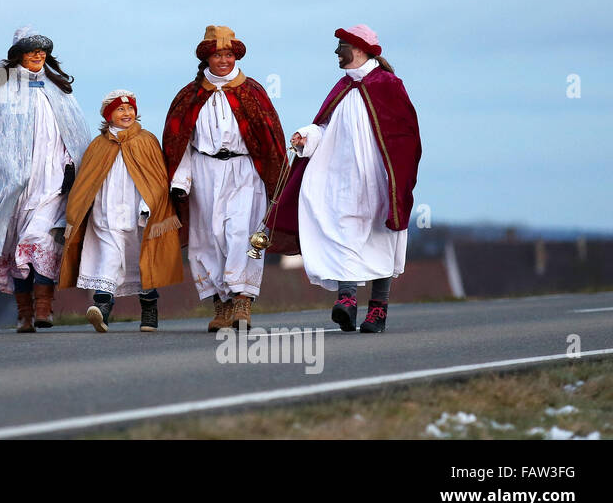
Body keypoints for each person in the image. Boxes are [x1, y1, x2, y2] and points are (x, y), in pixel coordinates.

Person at [265, 25, 421, 333]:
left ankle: (378, 310)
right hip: (342, 183)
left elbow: (406, 136)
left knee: (380, 241)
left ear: (360, 49)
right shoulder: (343, 87)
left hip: (378, 185)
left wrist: (396, 178)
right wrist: (306, 136)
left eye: (342, 46)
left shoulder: (388, 85)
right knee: (343, 236)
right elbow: (324, 128)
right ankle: (347, 301)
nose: (337, 52)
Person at [162, 26, 288, 331]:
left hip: (244, 171)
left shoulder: (253, 92)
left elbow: (271, 137)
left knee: (242, 233)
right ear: (207, 57)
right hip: (204, 173)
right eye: (218, 54)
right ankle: (222, 306)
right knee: (208, 239)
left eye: (229, 54)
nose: (224, 60)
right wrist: (180, 179)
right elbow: (178, 142)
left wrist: (276, 174)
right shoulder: (190, 96)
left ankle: (243, 300)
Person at [0, 26, 91, 332]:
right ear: (19, 56)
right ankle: (24, 313)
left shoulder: (59, 90)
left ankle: (44, 308)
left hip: (54, 184)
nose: (38, 56)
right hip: (17, 185)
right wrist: (11, 174)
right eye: (32, 51)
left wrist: (73, 168)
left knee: (40, 241)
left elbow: (76, 135)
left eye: (42, 51)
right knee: (17, 247)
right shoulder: (1, 92)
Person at [59, 91, 183, 332]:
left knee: (142, 262)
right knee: (108, 258)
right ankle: (102, 308)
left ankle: (149, 309)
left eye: (130, 109)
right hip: (105, 213)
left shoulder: (146, 140)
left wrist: (149, 206)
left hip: (138, 214)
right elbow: (86, 181)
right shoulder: (98, 145)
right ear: (108, 116)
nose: (126, 114)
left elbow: (157, 179)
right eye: (119, 110)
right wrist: (81, 209)